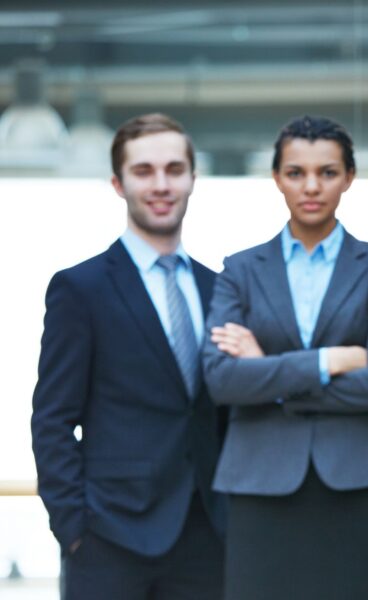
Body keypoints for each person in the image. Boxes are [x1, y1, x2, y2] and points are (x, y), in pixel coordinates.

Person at [201, 115, 368, 600]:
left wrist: (268, 376)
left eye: (328, 172)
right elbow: (222, 380)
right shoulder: (240, 270)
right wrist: (330, 359)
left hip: (356, 481)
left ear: (349, 178)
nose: (311, 186)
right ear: (276, 178)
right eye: (296, 173)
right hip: (259, 482)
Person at [31, 113, 226, 599]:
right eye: (143, 171)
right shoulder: (81, 288)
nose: (161, 184)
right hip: (108, 540)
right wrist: (73, 529)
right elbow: (52, 419)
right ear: (118, 183)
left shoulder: (219, 289)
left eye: (174, 169)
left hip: (207, 538)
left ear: (192, 179)